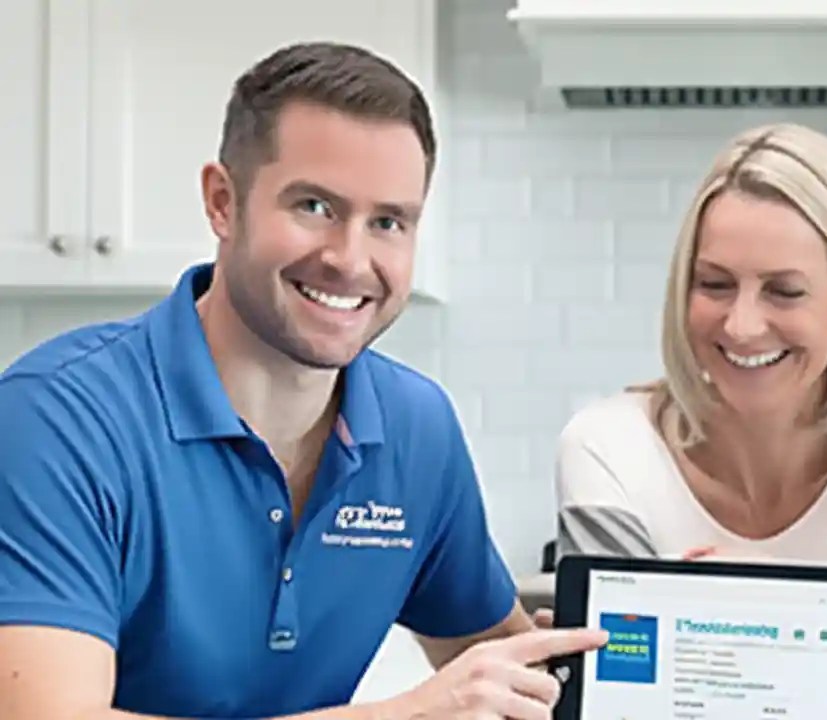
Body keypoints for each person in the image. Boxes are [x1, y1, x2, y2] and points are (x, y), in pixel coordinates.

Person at [0, 42, 604, 720]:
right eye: (315, 206)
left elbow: (506, 671)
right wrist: (401, 716)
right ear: (223, 203)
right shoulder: (55, 419)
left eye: (387, 222)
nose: (350, 259)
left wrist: (673, 612)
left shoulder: (415, 428)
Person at [553, 123, 827, 717]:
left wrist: (711, 623)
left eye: (784, 291)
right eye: (715, 285)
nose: (741, 325)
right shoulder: (608, 448)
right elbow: (618, 706)